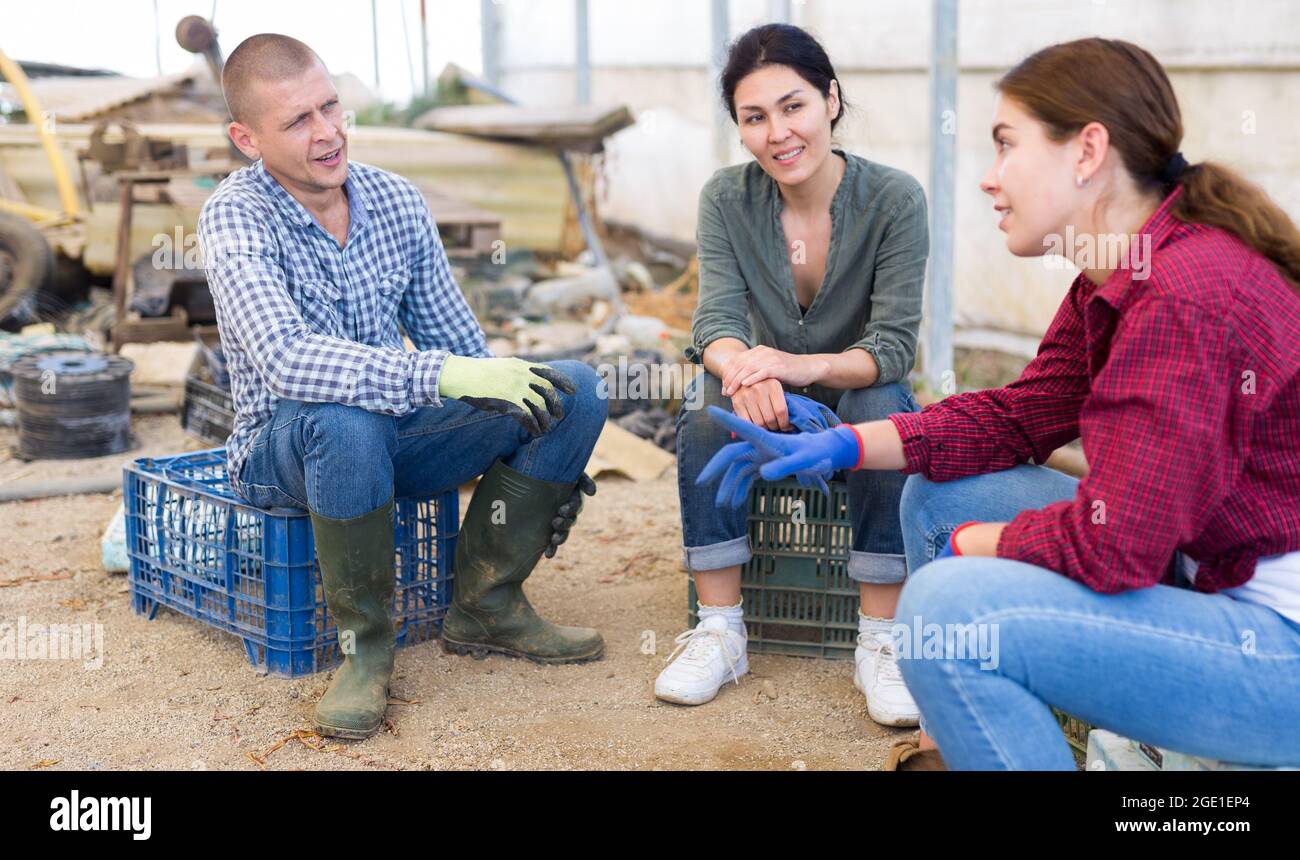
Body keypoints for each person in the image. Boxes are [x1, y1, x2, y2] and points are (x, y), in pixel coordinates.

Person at [700, 36, 1300, 771]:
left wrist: (966, 553)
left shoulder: (1184, 295)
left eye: (1006, 146)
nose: (988, 179)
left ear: (1086, 152)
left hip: (1273, 640)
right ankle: (954, 744)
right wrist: (848, 446)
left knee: (950, 610)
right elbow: (1020, 416)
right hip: (1207, 571)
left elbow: (1114, 549)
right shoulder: (1120, 276)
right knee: (940, 494)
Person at [199, 34, 608, 740]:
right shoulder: (234, 217)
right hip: (284, 452)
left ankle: (487, 604)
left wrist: (536, 447)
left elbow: (462, 349)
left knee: (568, 390)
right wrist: (441, 373)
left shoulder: (393, 200)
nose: (328, 133)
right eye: (298, 121)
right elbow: (288, 361)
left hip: (392, 439)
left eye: (331, 107)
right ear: (246, 138)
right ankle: (366, 649)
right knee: (342, 416)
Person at [659, 23, 929, 726]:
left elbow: (893, 345)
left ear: (830, 100)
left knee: (880, 398)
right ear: (740, 128)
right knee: (704, 399)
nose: (778, 132)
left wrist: (797, 363)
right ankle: (721, 630)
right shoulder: (727, 198)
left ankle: (882, 639)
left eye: (793, 106)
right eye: (755, 117)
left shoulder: (894, 199)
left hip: (853, 394)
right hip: (767, 399)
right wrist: (743, 371)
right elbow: (713, 321)